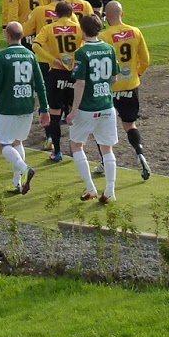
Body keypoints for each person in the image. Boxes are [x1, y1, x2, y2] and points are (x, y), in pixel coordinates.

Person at [68, 15, 121, 203]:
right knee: (107, 149)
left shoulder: (82, 53)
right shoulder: (109, 49)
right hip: (106, 105)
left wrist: (74, 110)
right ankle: (110, 190)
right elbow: (114, 78)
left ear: (83, 30)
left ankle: (90, 188)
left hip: (87, 108)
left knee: (76, 144)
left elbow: (80, 83)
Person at [0, 22, 44, 194]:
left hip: (8, 106)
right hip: (27, 104)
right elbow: (40, 83)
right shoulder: (31, 55)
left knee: (2, 143)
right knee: (17, 142)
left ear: (7, 35)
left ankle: (25, 168)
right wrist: (45, 107)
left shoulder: (2, 56)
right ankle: (16, 183)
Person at [103, 0, 153, 180]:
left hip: (110, 88)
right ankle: (140, 154)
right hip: (131, 85)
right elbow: (145, 60)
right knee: (129, 124)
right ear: (122, 14)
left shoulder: (105, 36)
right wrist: (136, 74)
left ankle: (104, 161)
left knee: (105, 126)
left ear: (107, 17)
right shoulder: (135, 32)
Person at [32, 0, 85, 164]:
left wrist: (52, 59)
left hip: (56, 74)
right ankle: (76, 148)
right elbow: (85, 44)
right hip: (74, 74)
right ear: (72, 14)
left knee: (54, 113)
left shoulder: (48, 28)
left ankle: (57, 151)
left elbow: (36, 46)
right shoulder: (79, 28)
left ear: (56, 14)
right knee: (76, 112)